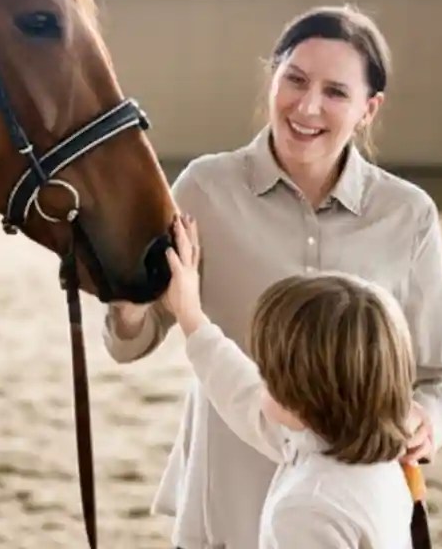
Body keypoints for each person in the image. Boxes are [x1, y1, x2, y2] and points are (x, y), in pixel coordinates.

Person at [103, 5, 442, 549]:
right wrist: (124, 288)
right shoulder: (204, 187)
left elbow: (441, 377)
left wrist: (426, 420)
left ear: (369, 109)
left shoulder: (408, 215)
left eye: (336, 92)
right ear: (271, 77)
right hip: (225, 487)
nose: (308, 105)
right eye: (294, 80)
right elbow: (131, 342)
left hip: (349, 496)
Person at [162, 213, 416, 548]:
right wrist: (190, 316)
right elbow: (243, 395)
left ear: (300, 395)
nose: (261, 377)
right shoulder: (370, 462)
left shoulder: (306, 508)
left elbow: (250, 402)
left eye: (268, 371)